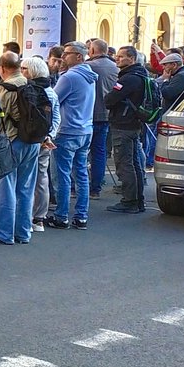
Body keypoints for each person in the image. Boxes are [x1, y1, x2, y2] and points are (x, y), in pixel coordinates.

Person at [0, 52, 40, 245]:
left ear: (2, 68)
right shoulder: (31, 84)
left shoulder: (5, 89)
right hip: (33, 140)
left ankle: (5, 233)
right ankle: (23, 232)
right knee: (26, 189)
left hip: (11, 140)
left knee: (6, 189)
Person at [45, 41, 96, 230]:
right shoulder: (89, 75)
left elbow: (53, 101)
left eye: (67, 54)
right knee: (81, 174)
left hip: (67, 131)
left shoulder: (70, 77)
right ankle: (81, 216)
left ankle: (61, 216)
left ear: (79, 57)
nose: (63, 57)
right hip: (85, 129)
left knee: (62, 175)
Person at [104, 45, 152, 214]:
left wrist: (109, 97)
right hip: (134, 123)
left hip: (123, 124)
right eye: (117, 56)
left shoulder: (128, 79)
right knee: (135, 164)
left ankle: (130, 200)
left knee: (124, 164)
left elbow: (110, 100)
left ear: (131, 59)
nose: (117, 59)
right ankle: (138, 200)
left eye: (121, 57)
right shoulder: (141, 74)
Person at [22, 56, 60, 235]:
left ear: (31, 71)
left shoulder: (26, 89)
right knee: (41, 179)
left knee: (26, 180)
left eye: (24, 69)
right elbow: (57, 118)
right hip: (45, 140)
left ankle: (26, 217)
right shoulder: (51, 91)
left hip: (30, 140)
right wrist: (50, 136)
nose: (21, 71)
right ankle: (39, 218)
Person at [86, 39, 119, 197]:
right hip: (106, 114)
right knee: (99, 152)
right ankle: (95, 189)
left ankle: (78, 187)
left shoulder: (89, 66)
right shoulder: (115, 67)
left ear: (92, 51)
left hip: (89, 115)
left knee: (81, 153)